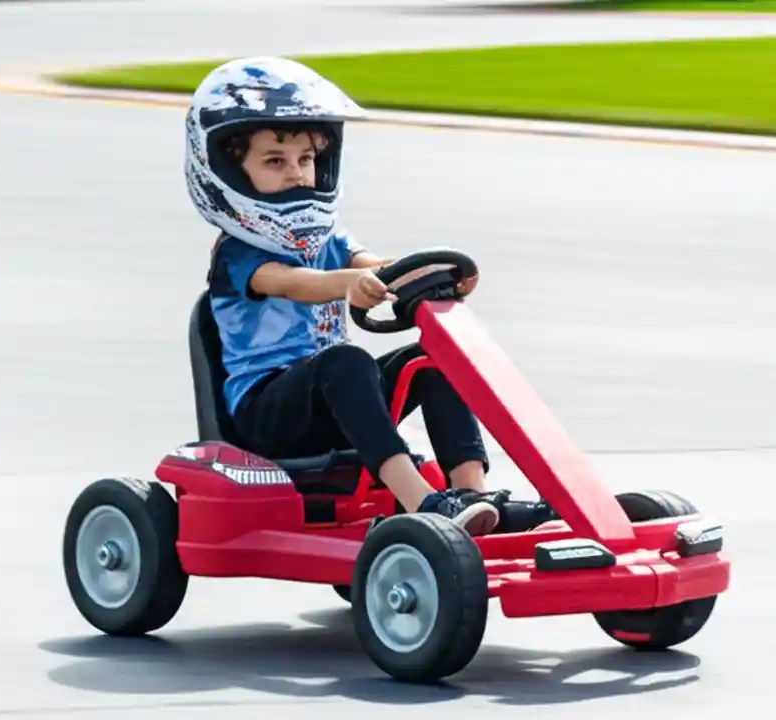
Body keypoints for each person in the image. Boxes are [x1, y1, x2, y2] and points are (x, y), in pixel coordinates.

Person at [183, 56, 546, 536]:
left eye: (306, 159)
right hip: (265, 413)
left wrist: (425, 275)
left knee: (433, 360)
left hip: (332, 397)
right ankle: (425, 502)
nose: (296, 173)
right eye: (276, 161)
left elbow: (371, 264)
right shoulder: (238, 255)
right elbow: (292, 283)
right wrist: (346, 286)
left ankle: (473, 499)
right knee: (346, 361)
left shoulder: (323, 237)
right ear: (228, 170)